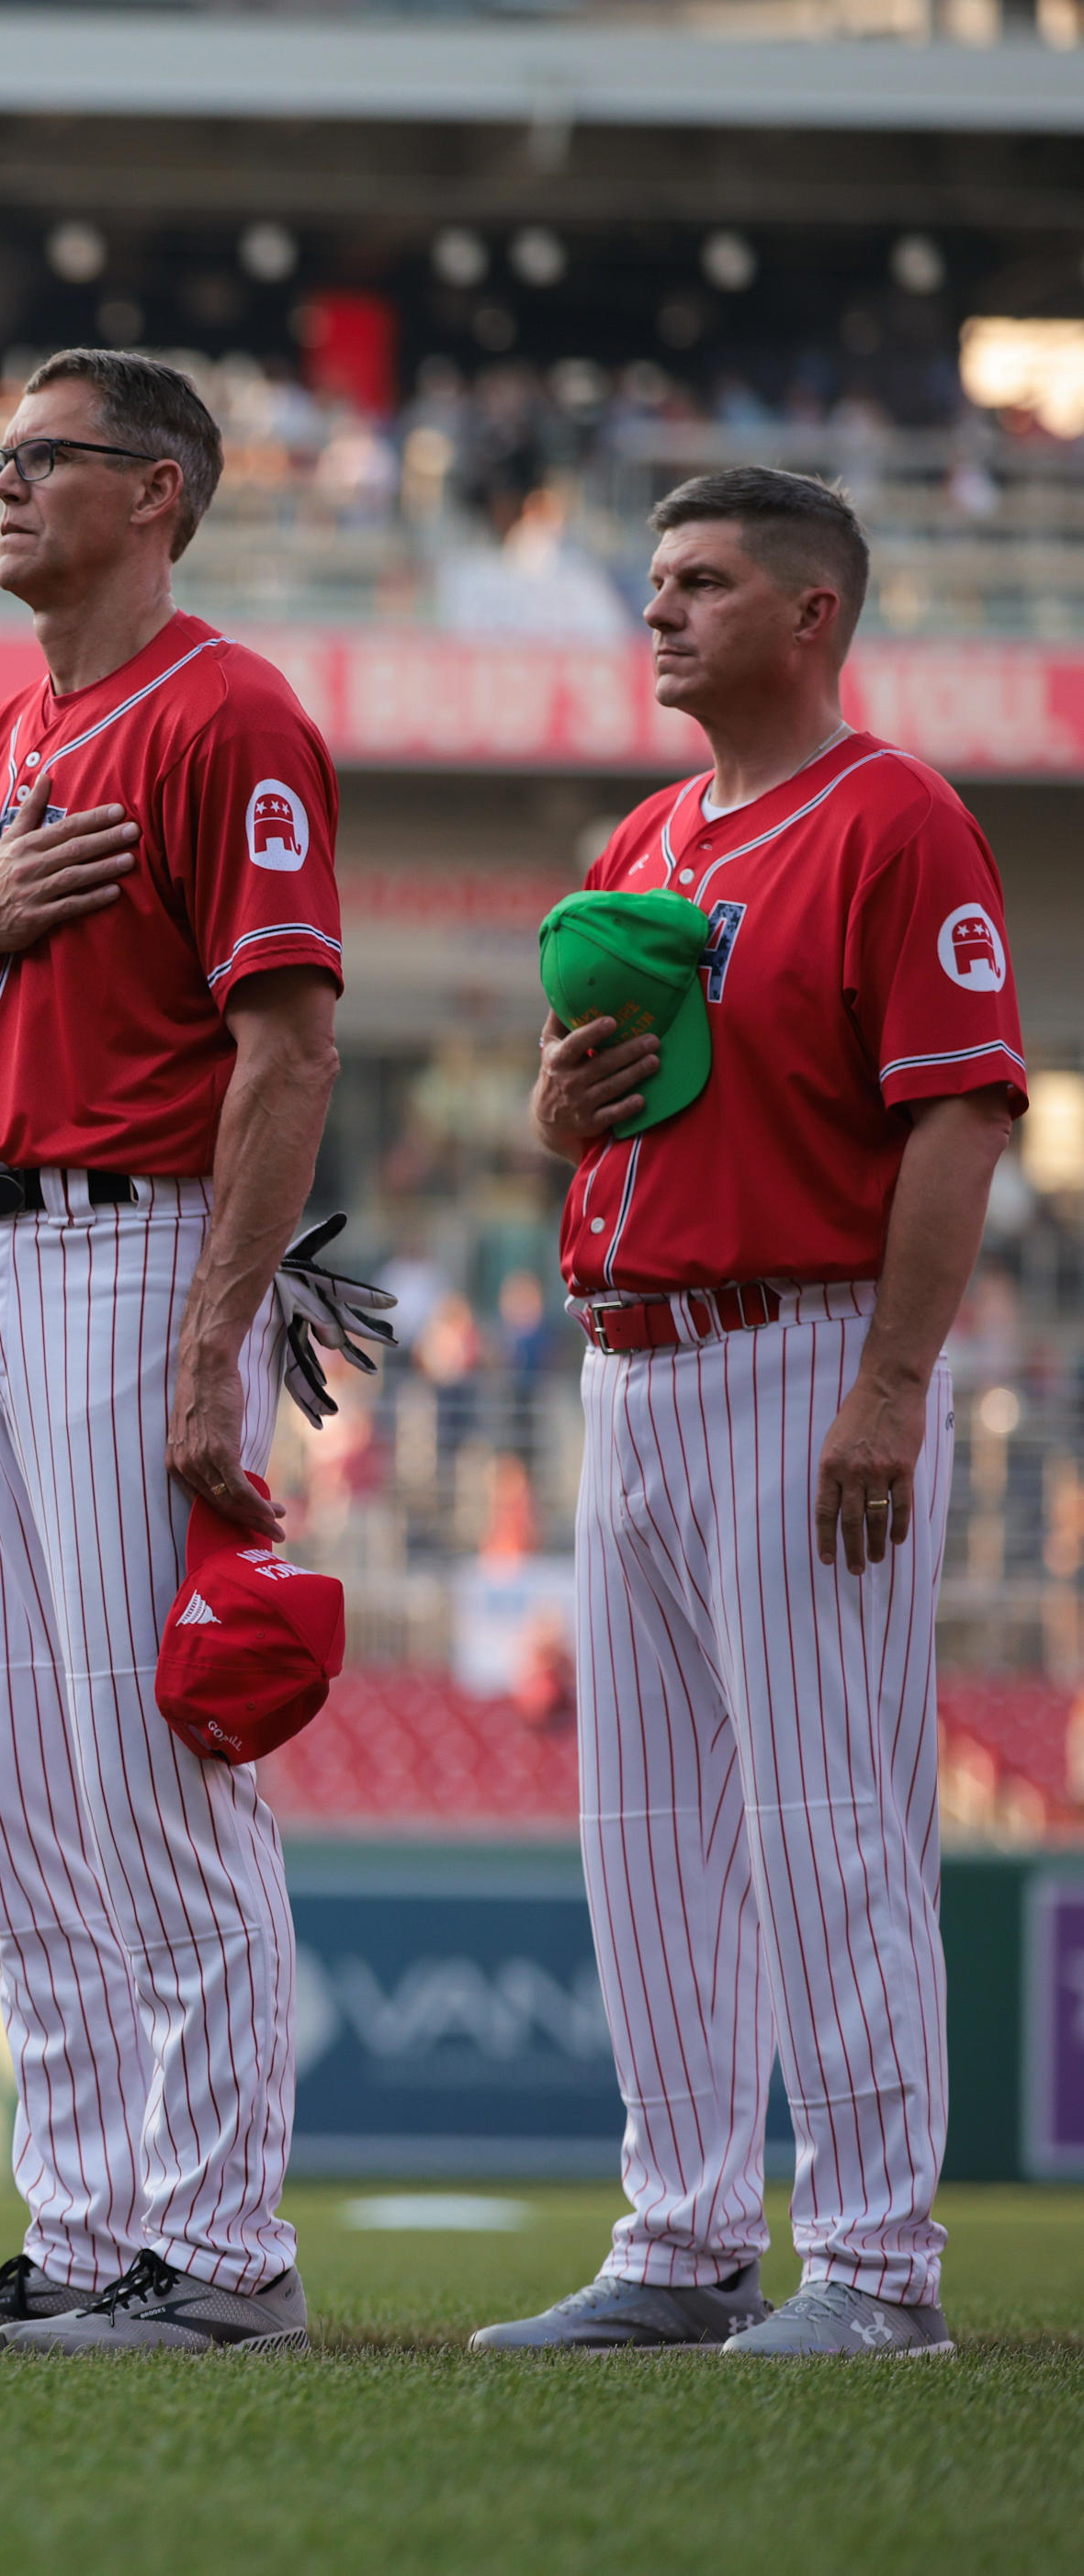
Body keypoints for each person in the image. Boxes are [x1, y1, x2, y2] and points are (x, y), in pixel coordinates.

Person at [475, 468, 1021, 2360]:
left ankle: (871, 2269)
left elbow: (954, 1111)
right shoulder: (640, 832)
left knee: (825, 1820)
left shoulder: (894, 818)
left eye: (698, 582)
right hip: (626, 1357)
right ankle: (680, 2239)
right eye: (650, 581)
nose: (655, 612)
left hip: (804, 1350)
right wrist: (556, 1113)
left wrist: (888, 1380)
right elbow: (591, 1114)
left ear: (808, 616)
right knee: (644, 1832)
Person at [0, 350, 344, 2356]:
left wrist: (212, 1343)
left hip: (137, 1244)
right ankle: (79, 2235)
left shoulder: (227, 711)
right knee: (16, 1787)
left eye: (34, 458)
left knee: (156, 1780)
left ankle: (219, 2257)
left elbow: (288, 1042)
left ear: (151, 493)